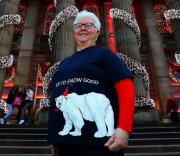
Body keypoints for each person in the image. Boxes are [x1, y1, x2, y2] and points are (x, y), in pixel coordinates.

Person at [48, 10, 135, 156]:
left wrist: (124, 128)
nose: (83, 28)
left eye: (88, 25)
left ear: (97, 31)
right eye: (78, 25)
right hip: (64, 143)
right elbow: (55, 97)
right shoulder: (64, 63)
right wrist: (53, 137)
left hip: (100, 143)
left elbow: (126, 88)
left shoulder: (104, 54)